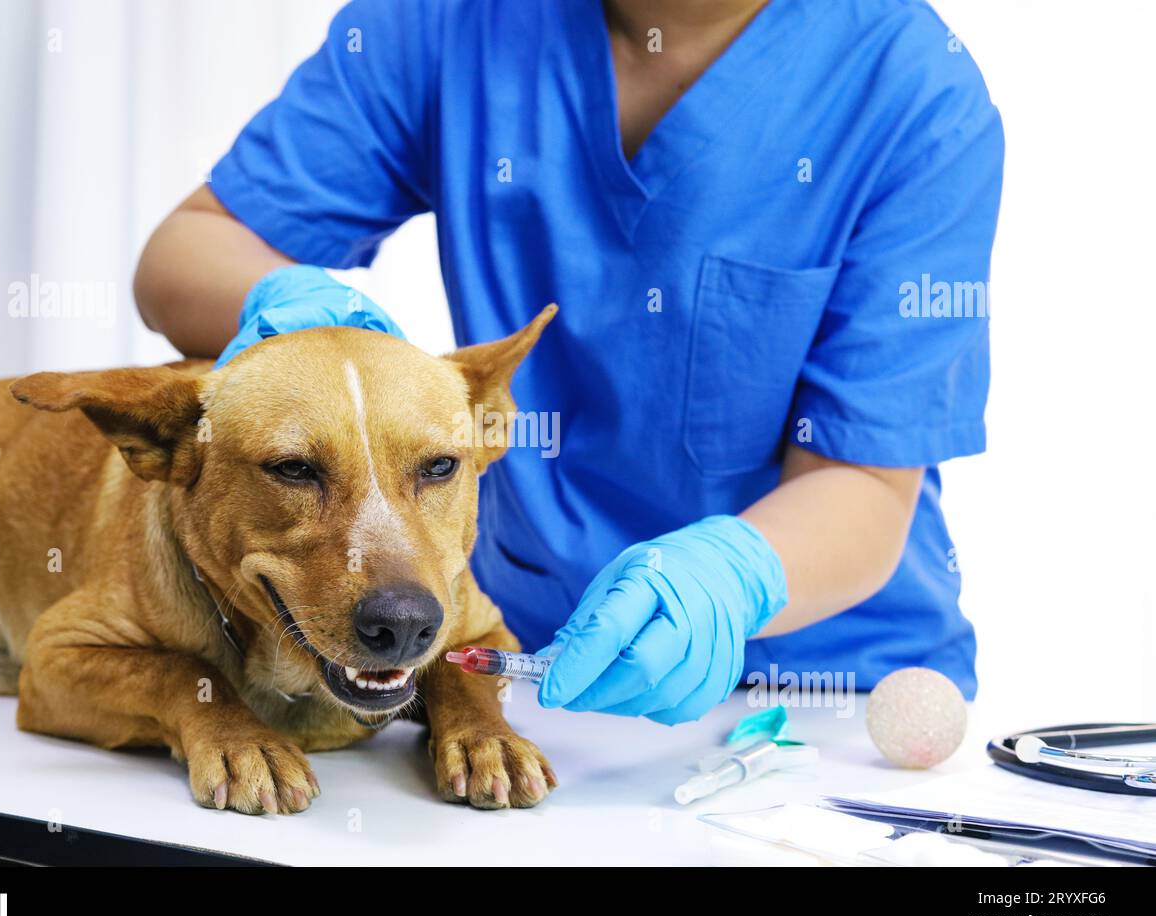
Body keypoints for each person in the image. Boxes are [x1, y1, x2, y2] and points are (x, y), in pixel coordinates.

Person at [134, 0, 1003, 725]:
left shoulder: (910, 88)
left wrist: (729, 582)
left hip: (828, 691)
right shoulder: (447, 23)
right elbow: (187, 254)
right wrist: (316, 324)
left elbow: (868, 482)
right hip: (516, 667)